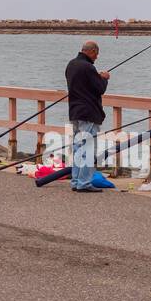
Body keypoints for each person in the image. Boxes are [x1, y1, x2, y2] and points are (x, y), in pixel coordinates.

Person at [65, 40, 110, 192]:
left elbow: (82, 84)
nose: (96, 57)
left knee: (78, 148)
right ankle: (84, 183)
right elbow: (99, 89)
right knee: (88, 149)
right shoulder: (88, 67)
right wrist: (103, 78)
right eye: (96, 54)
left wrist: (95, 76)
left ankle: (76, 181)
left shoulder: (71, 65)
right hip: (88, 113)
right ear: (91, 52)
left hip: (75, 111)